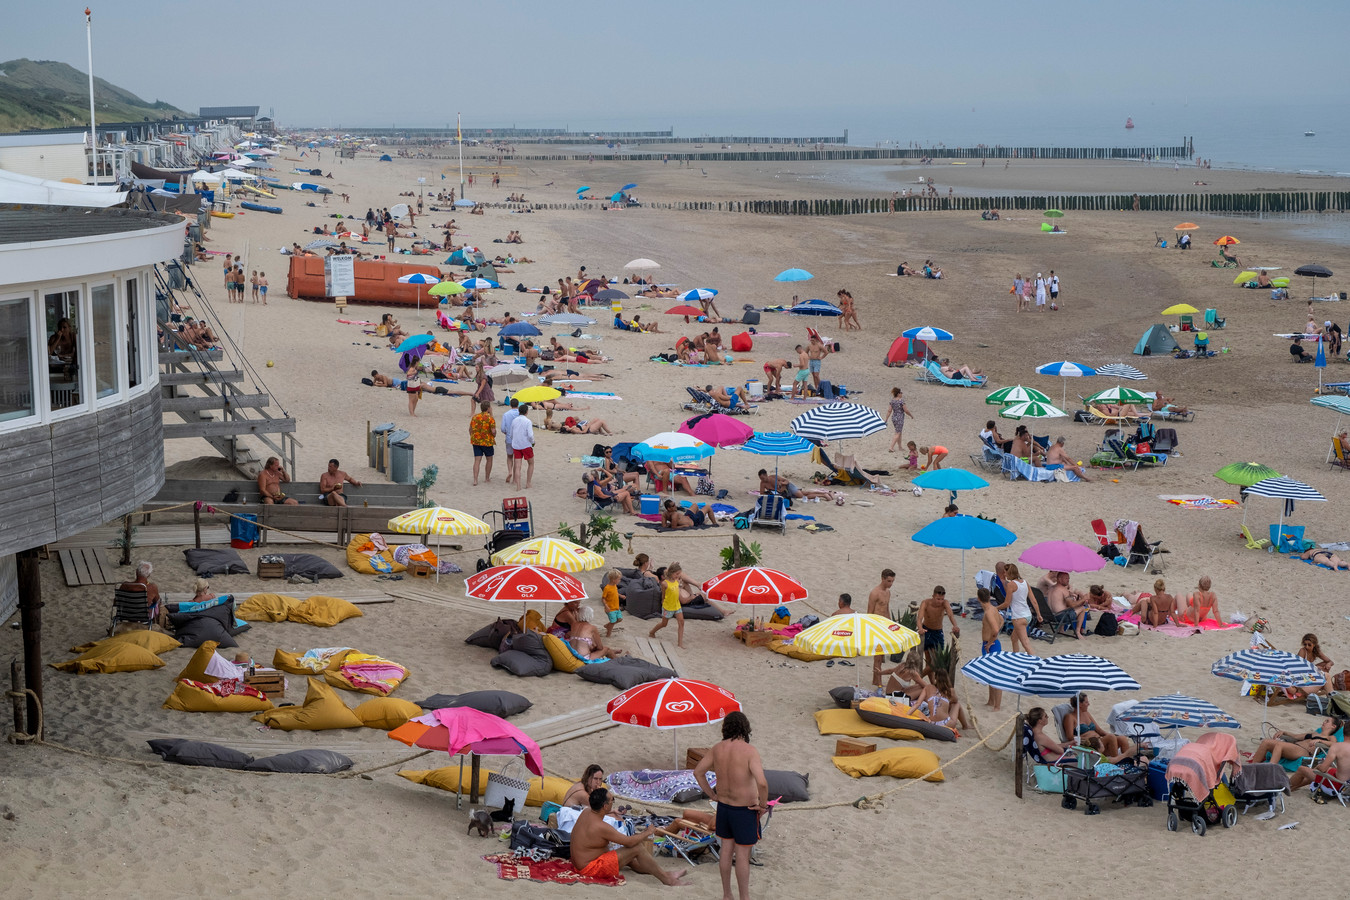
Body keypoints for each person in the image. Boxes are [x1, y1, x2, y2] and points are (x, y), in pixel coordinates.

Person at [692, 711, 767, 900]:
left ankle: (727, 894)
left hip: (724, 807)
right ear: (745, 728)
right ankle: (744, 897)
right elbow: (762, 783)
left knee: (726, 851)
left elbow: (698, 772)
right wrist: (763, 805)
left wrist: (712, 795)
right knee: (742, 855)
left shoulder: (717, 748)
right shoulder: (749, 751)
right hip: (744, 810)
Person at [570, 788, 688, 886]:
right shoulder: (601, 826)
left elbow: (600, 816)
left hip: (580, 864)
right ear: (605, 806)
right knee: (636, 848)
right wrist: (647, 832)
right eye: (612, 800)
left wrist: (613, 812)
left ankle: (664, 873)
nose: (613, 802)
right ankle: (667, 879)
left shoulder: (586, 812)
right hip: (590, 869)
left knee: (629, 857)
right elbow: (629, 843)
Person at [1063, 693, 1135, 759]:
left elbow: (1099, 730)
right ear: (1080, 704)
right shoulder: (1070, 717)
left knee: (1122, 738)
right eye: (1086, 702)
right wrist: (1085, 739)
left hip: (1099, 742)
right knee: (1111, 737)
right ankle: (1115, 763)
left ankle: (1128, 761)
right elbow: (1070, 737)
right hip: (1088, 745)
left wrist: (1113, 736)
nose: (1089, 704)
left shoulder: (1086, 713)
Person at [917, 586, 960, 673]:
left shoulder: (945, 603)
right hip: (926, 631)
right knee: (928, 659)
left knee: (936, 661)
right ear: (933, 596)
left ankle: (920, 677)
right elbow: (919, 618)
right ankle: (932, 682)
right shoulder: (925, 603)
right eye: (938, 599)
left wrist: (955, 625)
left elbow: (950, 615)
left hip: (938, 632)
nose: (940, 601)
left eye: (942, 599)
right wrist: (920, 628)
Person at [649, 562, 686, 648]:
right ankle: (652, 632)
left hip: (677, 605)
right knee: (664, 624)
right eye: (677, 574)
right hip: (668, 607)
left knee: (681, 622)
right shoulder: (664, 583)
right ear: (672, 572)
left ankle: (680, 644)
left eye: (679, 574)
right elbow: (663, 595)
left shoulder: (676, 581)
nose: (678, 575)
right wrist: (663, 604)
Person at [868, 569, 896, 686]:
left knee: (882, 655)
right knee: (878, 657)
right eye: (889, 581)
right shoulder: (875, 593)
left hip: (884, 625)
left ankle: (876, 679)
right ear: (883, 578)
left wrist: (890, 625)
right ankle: (877, 681)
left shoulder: (888, 592)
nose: (891, 584)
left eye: (892, 581)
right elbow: (869, 612)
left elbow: (886, 609)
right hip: (876, 626)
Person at [977, 588, 1003, 710]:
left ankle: (997, 705)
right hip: (990, 644)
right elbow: (1001, 621)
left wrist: (990, 642)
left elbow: (996, 630)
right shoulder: (994, 609)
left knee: (996, 676)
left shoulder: (988, 612)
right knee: (989, 675)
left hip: (991, 645)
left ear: (978, 599)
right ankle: (991, 701)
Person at [1001, 563, 1036, 654]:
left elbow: (1007, 603)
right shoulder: (1024, 582)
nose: (1004, 574)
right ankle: (1015, 656)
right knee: (1014, 638)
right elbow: (1033, 600)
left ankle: (1036, 661)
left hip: (1018, 617)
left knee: (1025, 644)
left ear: (1009, 572)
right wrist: (1039, 614)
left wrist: (995, 608)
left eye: (1005, 572)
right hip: (1028, 615)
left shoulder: (1011, 585)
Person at [118, 561, 162, 628]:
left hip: (126, 614)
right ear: (149, 575)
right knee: (158, 602)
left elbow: (117, 600)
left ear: (136, 572)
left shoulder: (125, 585)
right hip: (144, 616)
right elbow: (156, 601)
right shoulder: (152, 587)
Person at [757, 469, 836, 502]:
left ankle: (824, 495)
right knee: (805, 493)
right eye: (761, 479)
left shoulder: (774, 477)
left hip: (788, 487)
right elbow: (762, 493)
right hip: (783, 493)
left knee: (802, 496)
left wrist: (782, 483)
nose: (762, 480)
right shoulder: (762, 484)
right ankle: (827, 494)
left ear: (766, 475)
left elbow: (786, 481)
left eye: (763, 478)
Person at [469, 401, 496, 485]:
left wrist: (472, 437)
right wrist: (494, 436)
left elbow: (470, 429)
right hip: (487, 441)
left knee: (477, 460)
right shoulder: (490, 418)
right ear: (488, 408)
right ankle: (487, 478)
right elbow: (493, 431)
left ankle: (475, 480)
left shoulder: (475, 417)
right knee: (489, 459)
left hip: (476, 441)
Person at [509, 403, 536, 489]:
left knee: (517, 466)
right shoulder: (527, 421)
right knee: (531, 463)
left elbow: (511, 434)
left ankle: (518, 486)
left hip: (516, 445)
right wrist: (533, 442)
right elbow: (530, 435)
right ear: (527, 412)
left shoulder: (514, 420)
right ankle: (528, 483)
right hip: (526, 445)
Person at [887, 388, 913, 453]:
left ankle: (900, 447)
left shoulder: (892, 401)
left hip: (894, 417)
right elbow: (906, 410)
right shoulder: (901, 401)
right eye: (901, 393)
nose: (902, 394)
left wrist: (886, 419)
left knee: (899, 432)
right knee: (897, 433)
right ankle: (891, 447)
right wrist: (911, 415)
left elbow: (889, 410)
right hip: (900, 418)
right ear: (898, 394)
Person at [602, 569, 623, 637]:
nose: (620, 580)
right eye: (619, 579)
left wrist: (620, 595)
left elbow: (615, 593)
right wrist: (606, 606)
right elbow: (603, 598)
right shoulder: (607, 588)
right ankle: (608, 634)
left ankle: (607, 625)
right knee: (613, 622)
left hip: (616, 607)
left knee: (619, 619)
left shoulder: (614, 586)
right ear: (614, 579)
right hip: (610, 608)